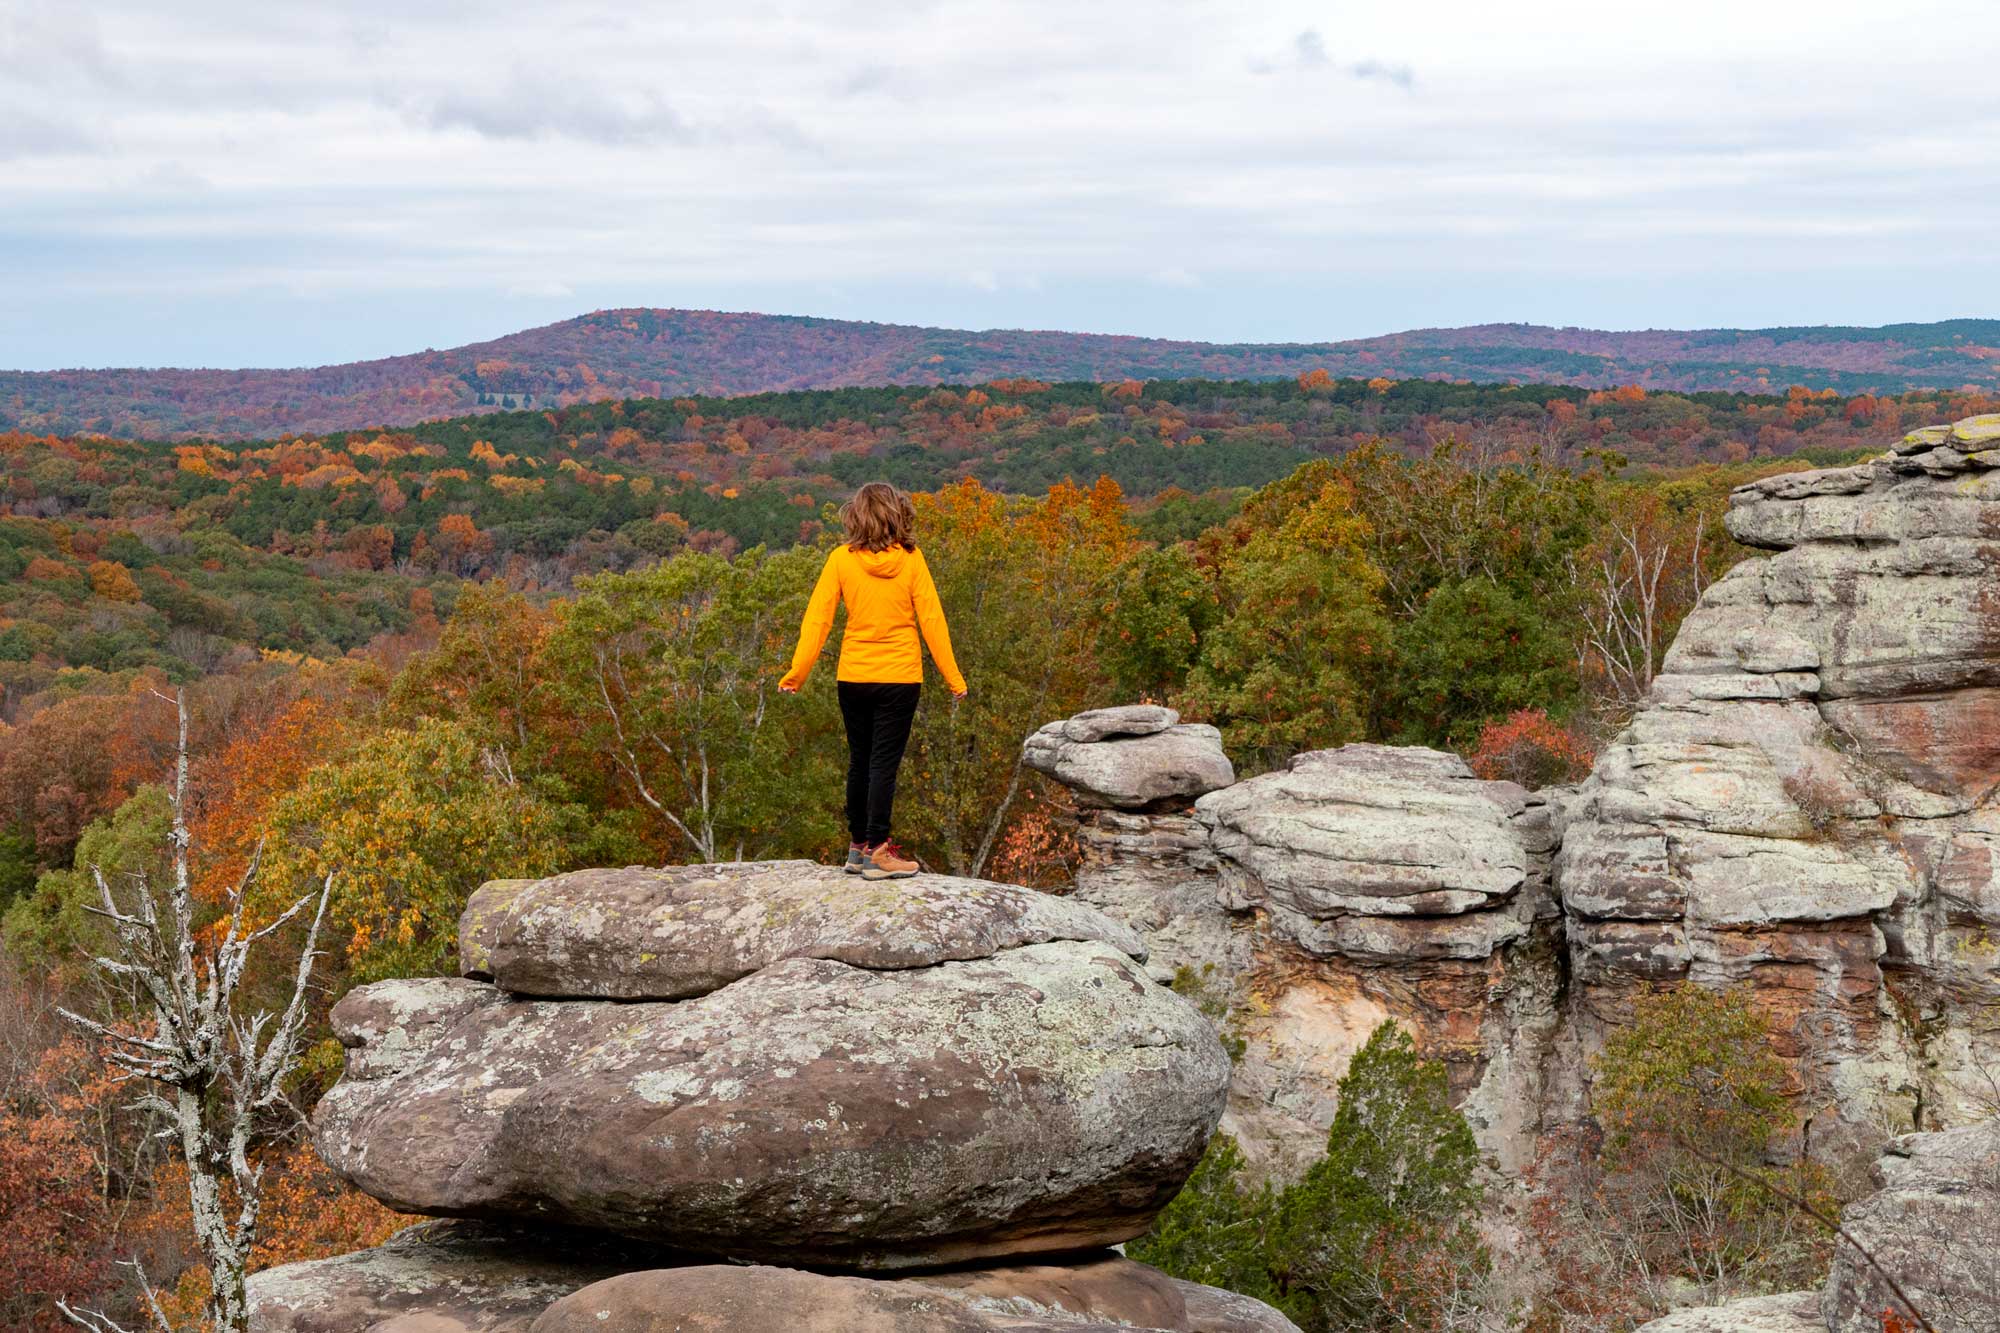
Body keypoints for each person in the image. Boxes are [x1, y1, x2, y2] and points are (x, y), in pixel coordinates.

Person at [779, 482, 966, 879]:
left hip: (853, 676)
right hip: (899, 678)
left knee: (859, 762)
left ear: (856, 516)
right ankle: (880, 851)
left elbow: (818, 619)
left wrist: (797, 673)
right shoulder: (912, 561)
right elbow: (932, 620)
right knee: (883, 765)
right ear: (896, 514)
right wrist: (953, 677)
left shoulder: (840, 560)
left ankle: (858, 847)